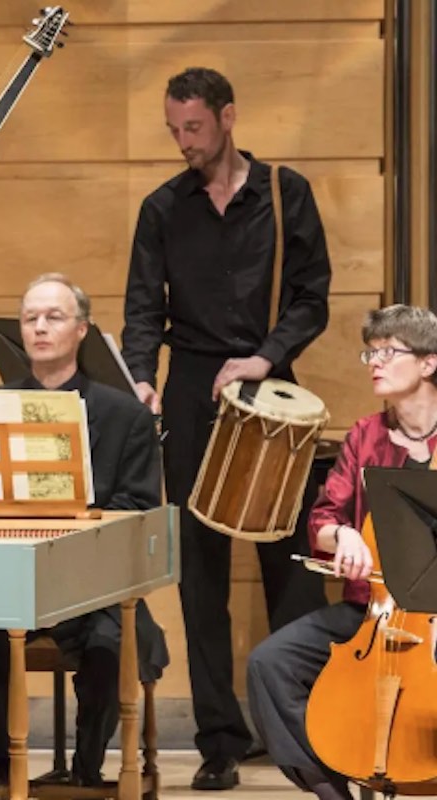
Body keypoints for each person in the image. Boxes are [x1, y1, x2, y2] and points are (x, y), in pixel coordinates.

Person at [120, 67, 332, 789]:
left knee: (295, 563)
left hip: (268, 384)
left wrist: (265, 357)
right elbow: (143, 308)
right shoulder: (161, 208)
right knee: (200, 574)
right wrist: (142, 376)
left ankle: (310, 731)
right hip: (192, 392)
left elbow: (312, 298)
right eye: (175, 129)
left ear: (228, 117)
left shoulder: (285, 193)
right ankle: (219, 740)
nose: (183, 142)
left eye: (195, 129)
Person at [0, 274, 168, 788]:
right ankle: (2, 766)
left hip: (95, 587)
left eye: (54, 317)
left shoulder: (125, 417)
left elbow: (137, 510)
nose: (40, 327)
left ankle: (85, 772)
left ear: (83, 330)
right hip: (13, 581)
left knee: (110, 642)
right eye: (31, 318)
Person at [246, 304, 437, 800]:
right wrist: (343, 536)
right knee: (270, 664)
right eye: (369, 353)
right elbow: (322, 519)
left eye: (388, 351)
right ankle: (332, 793)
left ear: (428, 363)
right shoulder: (364, 436)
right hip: (370, 614)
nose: (375, 361)